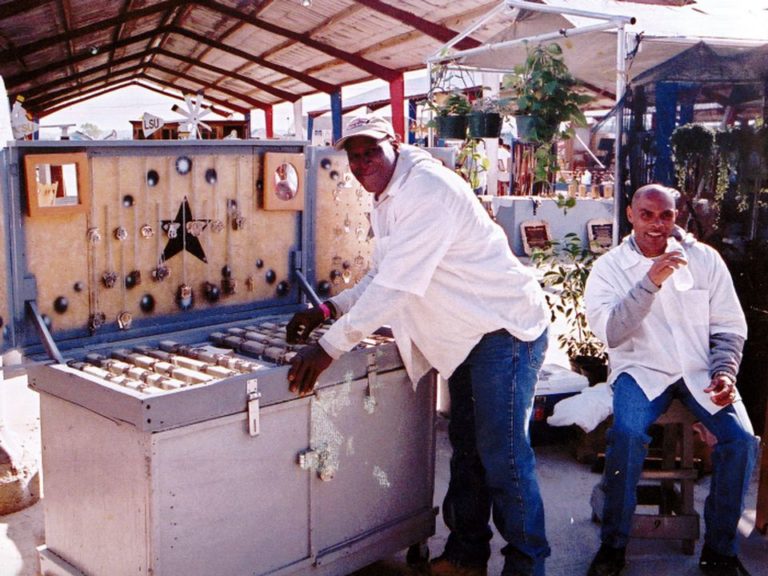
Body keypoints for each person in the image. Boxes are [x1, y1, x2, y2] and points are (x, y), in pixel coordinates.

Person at [286, 116, 551, 576]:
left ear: (396, 144)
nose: (362, 162)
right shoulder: (388, 196)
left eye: (371, 151)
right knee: (468, 448)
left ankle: (527, 566)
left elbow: (395, 288)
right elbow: (379, 274)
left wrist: (328, 348)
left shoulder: (427, 191)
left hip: (503, 330)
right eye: (353, 154)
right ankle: (467, 557)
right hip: (466, 335)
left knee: (504, 458)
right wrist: (330, 310)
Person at [584, 184, 758, 576]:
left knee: (741, 440)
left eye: (666, 215)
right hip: (640, 370)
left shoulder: (704, 259)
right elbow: (611, 332)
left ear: (676, 216)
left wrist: (725, 371)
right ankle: (613, 545)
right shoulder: (609, 268)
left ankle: (720, 551)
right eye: (647, 214)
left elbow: (729, 326)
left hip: (699, 371)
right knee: (627, 434)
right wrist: (650, 283)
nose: (657, 225)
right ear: (630, 215)